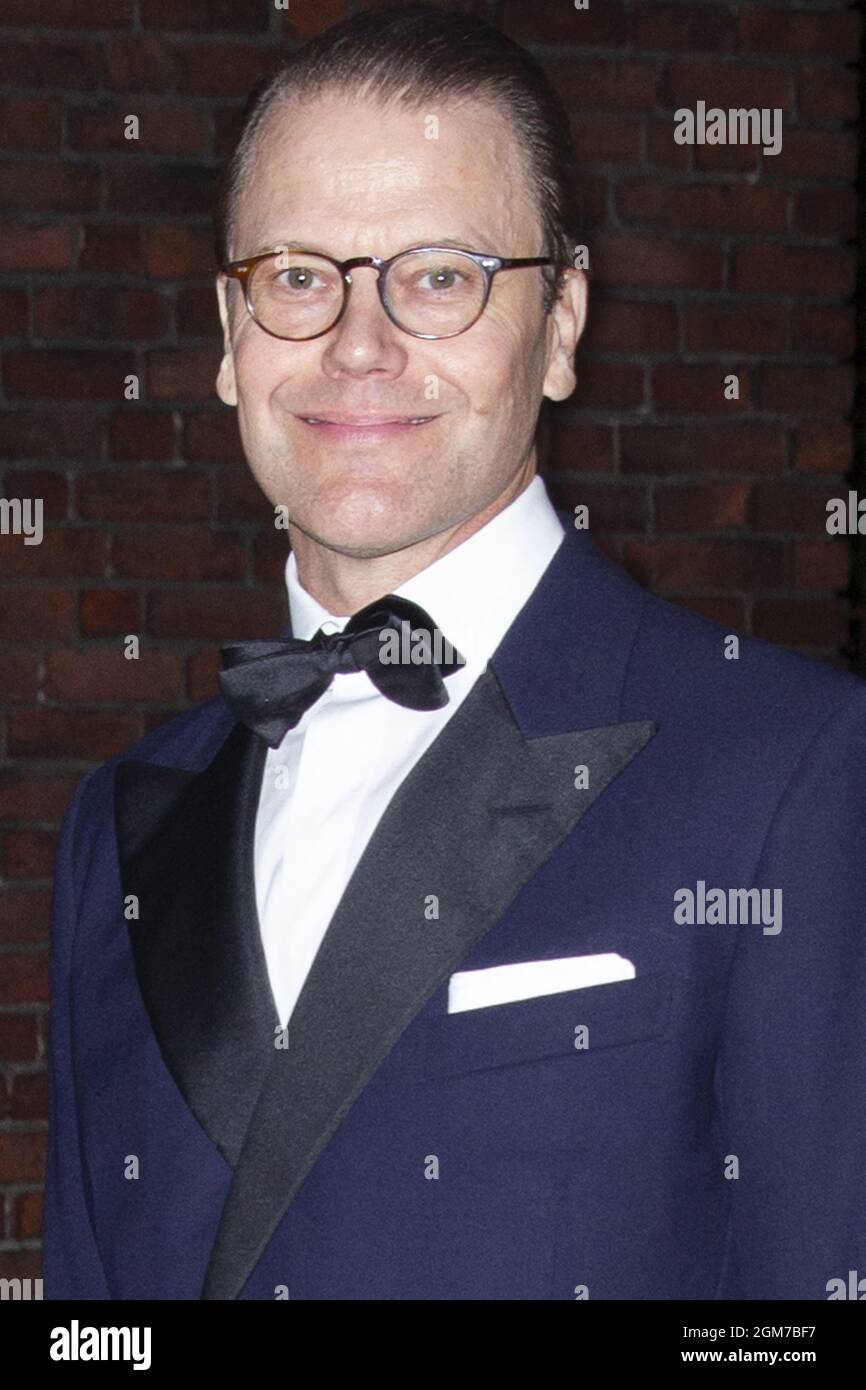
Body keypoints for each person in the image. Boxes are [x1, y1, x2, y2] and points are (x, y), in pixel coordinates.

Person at [43, 4, 866, 1300]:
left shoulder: (796, 767)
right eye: (299, 276)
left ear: (561, 322)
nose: (357, 346)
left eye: (439, 275)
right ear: (227, 330)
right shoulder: (117, 821)